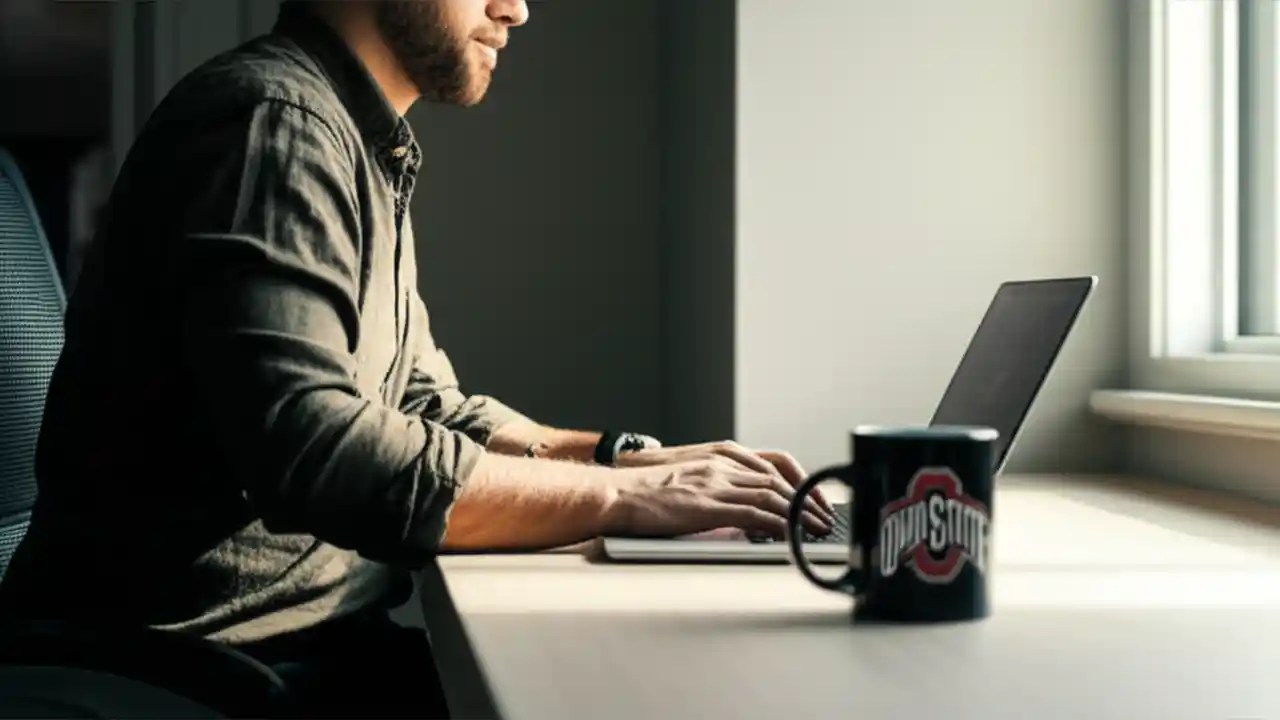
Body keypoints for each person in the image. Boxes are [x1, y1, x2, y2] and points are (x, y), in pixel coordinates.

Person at [0, 1, 833, 717]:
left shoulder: (350, 138)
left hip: (290, 656)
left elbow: (424, 405)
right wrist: (623, 501)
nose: (516, 8)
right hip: (190, 673)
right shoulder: (273, 124)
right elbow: (317, 449)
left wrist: (630, 462)